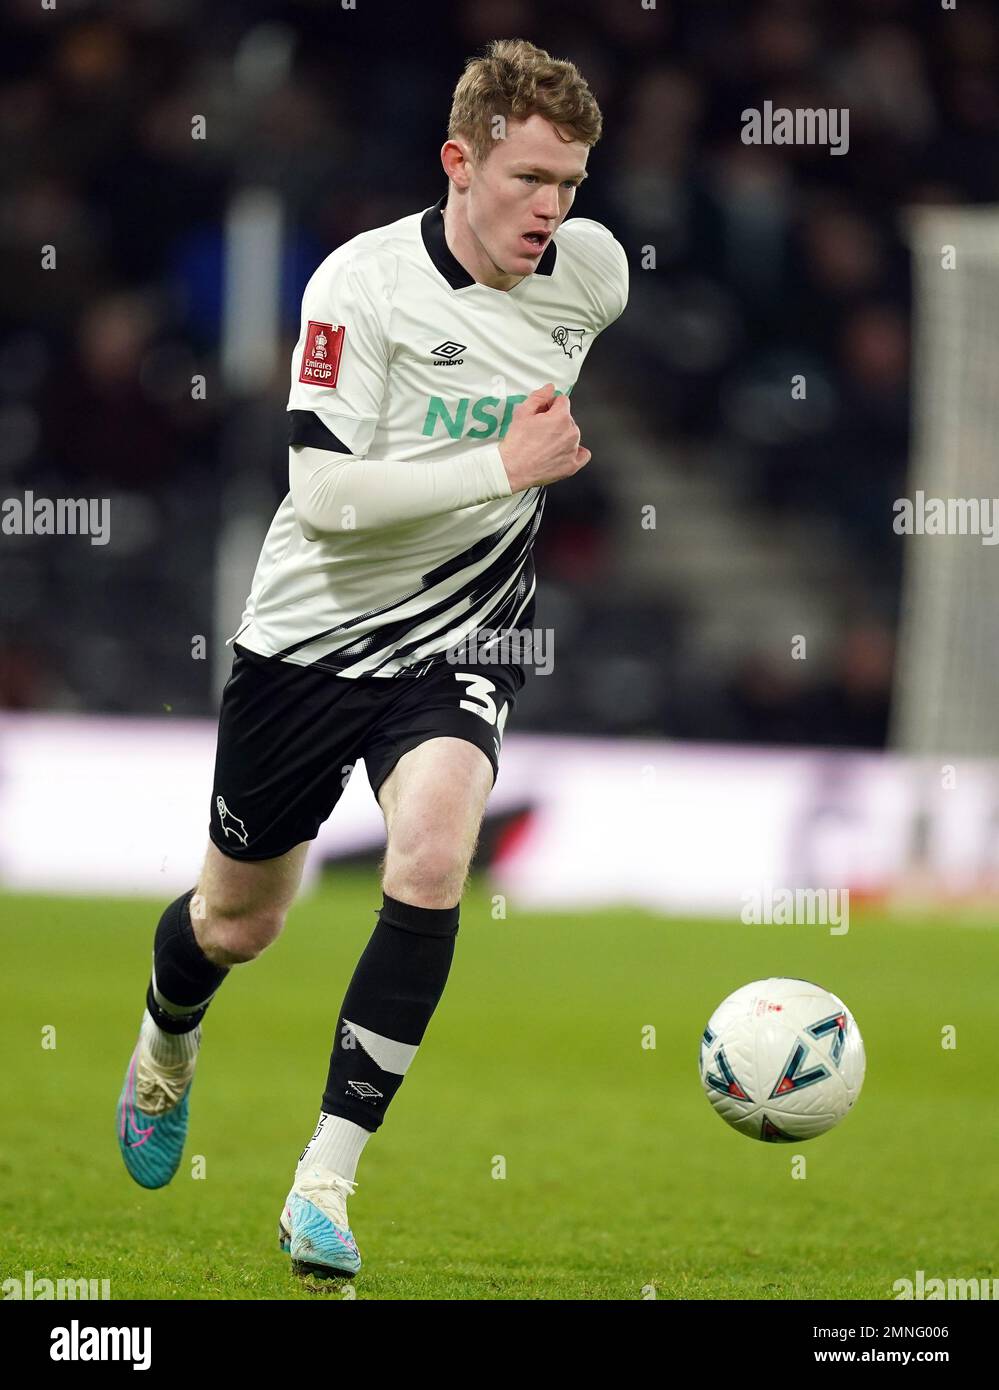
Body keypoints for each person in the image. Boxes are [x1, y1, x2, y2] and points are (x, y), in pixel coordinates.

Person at [116, 36, 628, 1281]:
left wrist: (508, 492)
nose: (552, 209)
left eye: (570, 181)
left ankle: (324, 1183)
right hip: (307, 640)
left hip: (459, 636)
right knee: (239, 924)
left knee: (437, 851)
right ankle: (166, 1038)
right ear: (460, 162)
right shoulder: (359, 284)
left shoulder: (596, 275)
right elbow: (325, 492)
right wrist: (502, 468)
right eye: (527, 179)